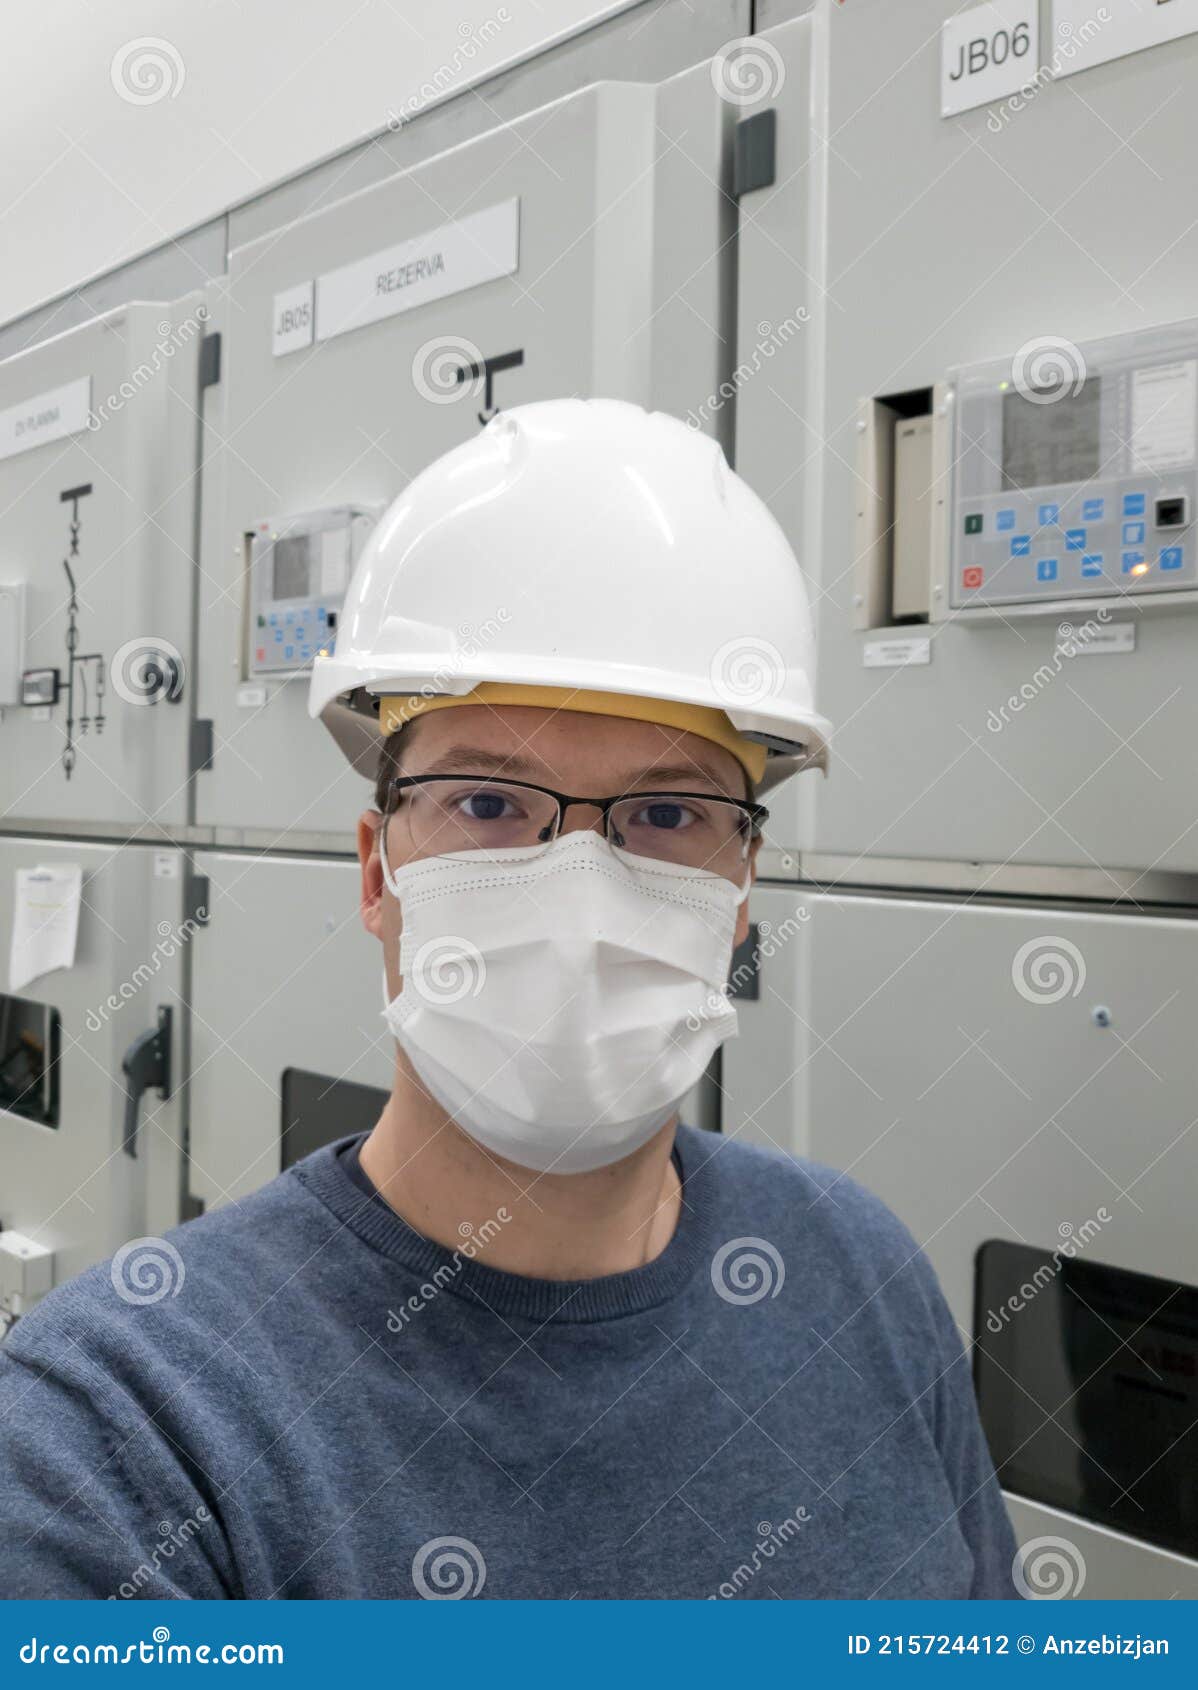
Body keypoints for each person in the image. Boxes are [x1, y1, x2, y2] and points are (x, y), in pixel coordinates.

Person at [0, 400, 1018, 1599]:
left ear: (740, 892)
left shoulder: (856, 1270)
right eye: (488, 801)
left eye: (667, 813)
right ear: (381, 872)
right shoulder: (122, 1425)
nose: (580, 893)